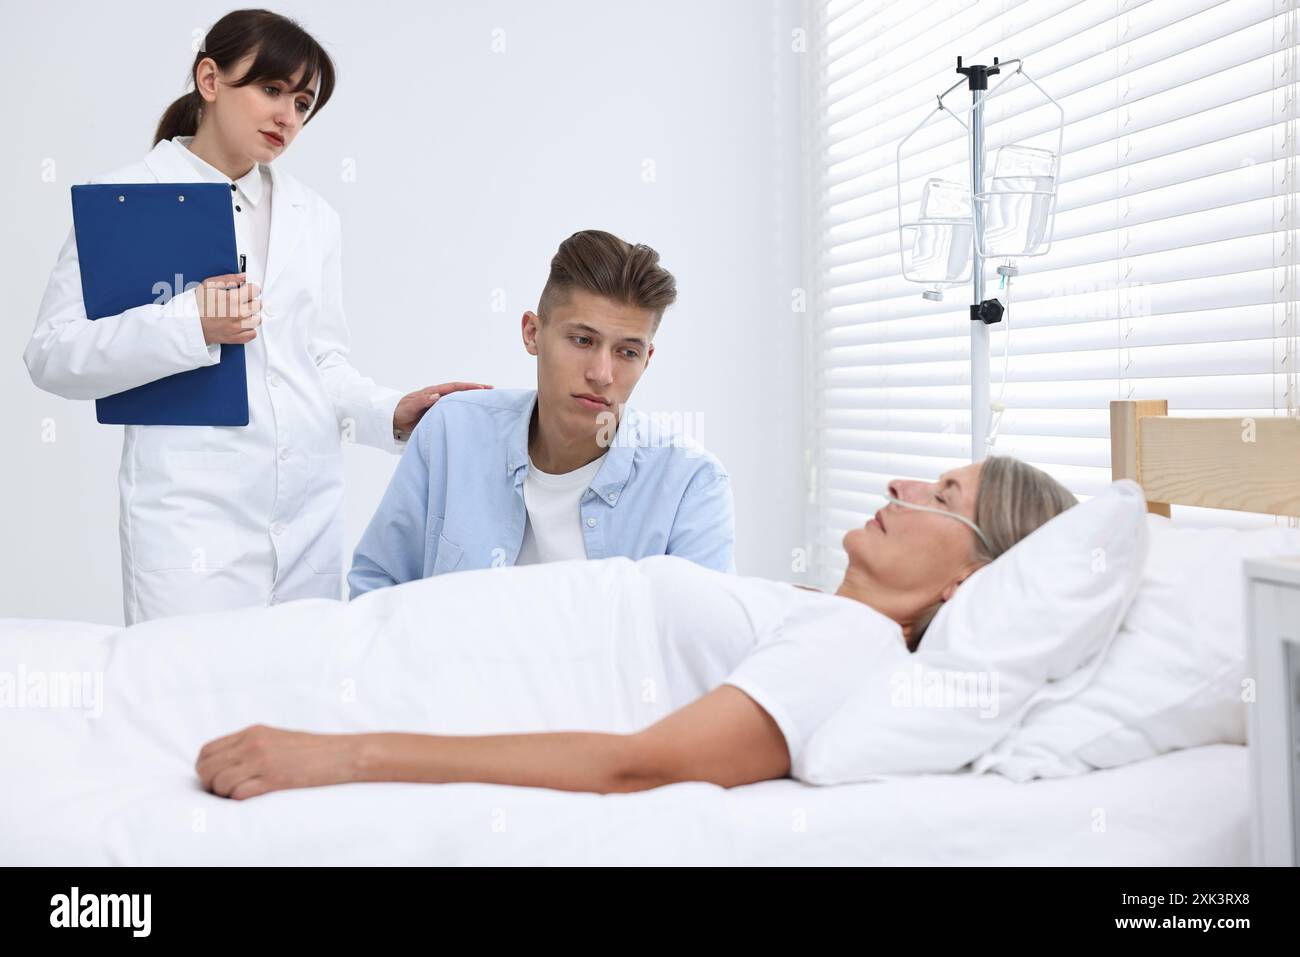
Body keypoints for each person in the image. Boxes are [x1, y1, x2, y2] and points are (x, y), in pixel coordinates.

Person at [196, 456, 1077, 800]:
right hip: (380, 643)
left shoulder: (850, 648)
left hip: (384, 686)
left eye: (944, 496)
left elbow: (638, 763)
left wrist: (338, 755)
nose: (902, 485)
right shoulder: (824, 615)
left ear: (976, 575)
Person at [23, 9, 489, 624]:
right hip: (188, 521)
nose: (287, 117)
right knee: (189, 706)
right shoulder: (127, 198)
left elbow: (319, 363)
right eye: (271, 90)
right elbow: (52, 355)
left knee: (295, 706)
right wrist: (191, 325)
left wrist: (391, 414)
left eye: (302, 102)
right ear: (210, 79)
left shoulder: (314, 216)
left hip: (307, 522)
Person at [347, 228, 734, 595]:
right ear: (533, 333)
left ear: (646, 360)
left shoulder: (691, 483)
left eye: (627, 352)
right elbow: (378, 583)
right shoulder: (452, 432)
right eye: (582, 340)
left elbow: (699, 638)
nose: (601, 374)